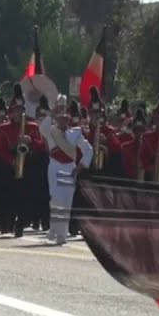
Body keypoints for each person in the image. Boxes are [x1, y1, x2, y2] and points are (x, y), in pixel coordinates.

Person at [40, 95, 93, 245]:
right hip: (54, 167)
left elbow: (88, 149)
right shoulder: (50, 131)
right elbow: (41, 128)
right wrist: (52, 112)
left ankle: (60, 233)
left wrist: (80, 166)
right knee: (56, 199)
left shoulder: (75, 133)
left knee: (66, 201)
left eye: (65, 117)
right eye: (60, 117)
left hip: (70, 169)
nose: (63, 120)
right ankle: (56, 229)